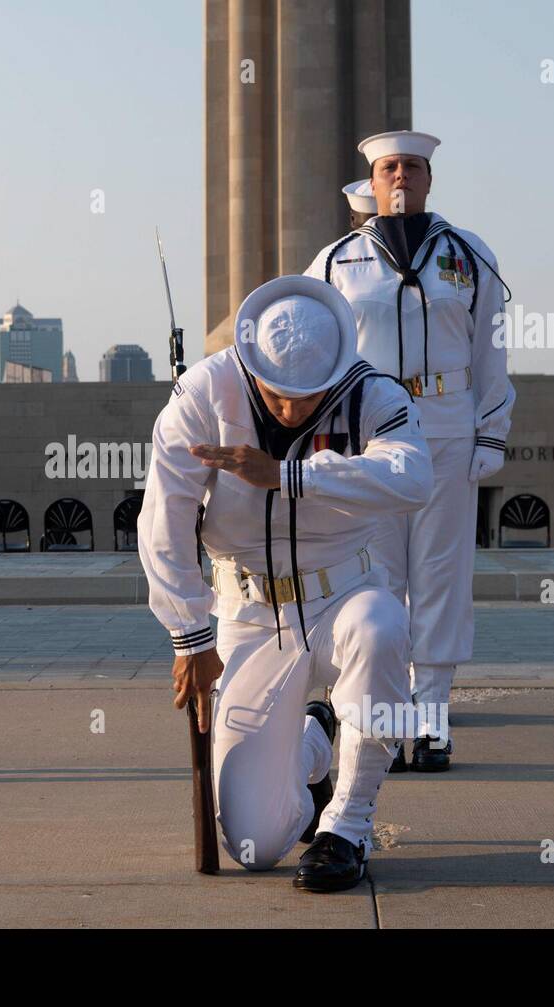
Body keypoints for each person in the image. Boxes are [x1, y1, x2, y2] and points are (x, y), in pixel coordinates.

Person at [137, 275, 432, 891]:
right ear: (250, 362)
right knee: (254, 844)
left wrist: (293, 475)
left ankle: (346, 828)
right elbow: (162, 519)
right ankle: (313, 744)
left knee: (384, 628)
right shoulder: (202, 393)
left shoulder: (368, 388)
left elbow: (413, 478)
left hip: (344, 594)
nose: (294, 410)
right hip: (249, 614)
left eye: (309, 396)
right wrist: (189, 637)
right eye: (278, 395)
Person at [308, 130, 516, 772]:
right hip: (372, 431)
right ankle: (390, 718)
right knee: (377, 574)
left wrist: (491, 430)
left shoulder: (468, 256)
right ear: (371, 181)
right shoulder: (335, 261)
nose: (400, 176)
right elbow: (316, 356)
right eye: (389, 167)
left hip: (448, 426)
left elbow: (491, 351)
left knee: (442, 573)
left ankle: (432, 719)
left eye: (413, 167)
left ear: (429, 180)